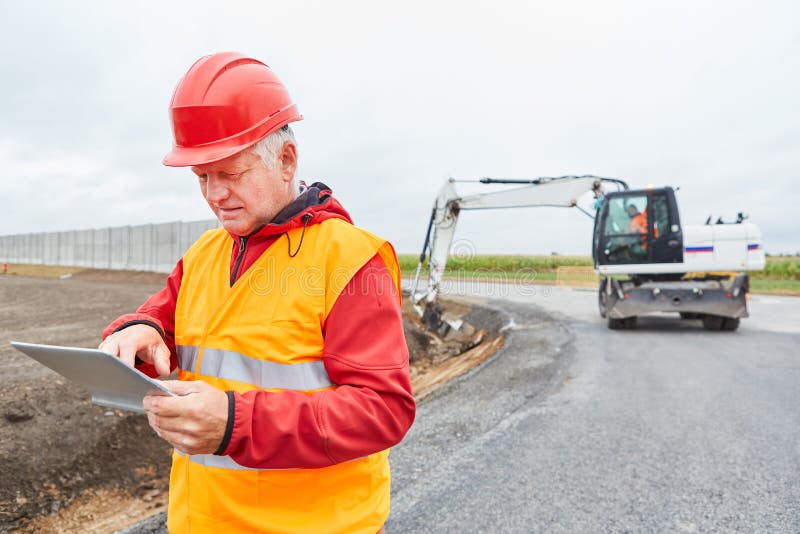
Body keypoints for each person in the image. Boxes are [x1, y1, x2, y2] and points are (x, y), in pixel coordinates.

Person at [99, 52, 416, 534]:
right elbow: (160, 320)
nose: (214, 194)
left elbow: (382, 410)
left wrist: (233, 422)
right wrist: (137, 330)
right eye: (201, 177)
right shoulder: (205, 252)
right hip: (202, 522)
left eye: (230, 173)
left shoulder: (351, 259)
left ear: (286, 160)